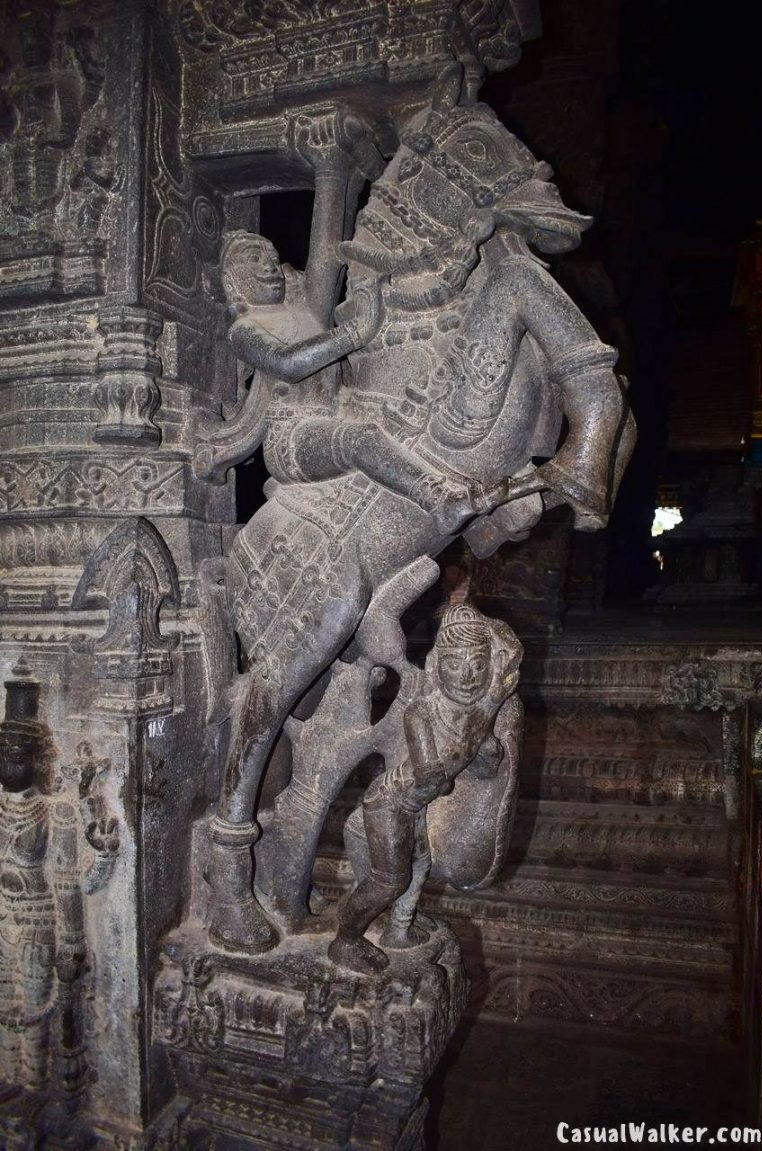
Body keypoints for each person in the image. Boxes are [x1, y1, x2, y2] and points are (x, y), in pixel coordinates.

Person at [197, 230, 504, 536]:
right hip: (292, 437)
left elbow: (327, 245)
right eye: (255, 260)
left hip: (340, 408)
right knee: (360, 439)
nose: (269, 267)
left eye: (273, 260)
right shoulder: (244, 329)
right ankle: (439, 500)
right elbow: (287, 364)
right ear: (234, 280)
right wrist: (356, 332)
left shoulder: (304, 312)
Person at [328, 604, 521, 975]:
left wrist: (488, 747)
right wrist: (478, 730)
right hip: (390, 803)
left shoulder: (475, 716)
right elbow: (432, 773)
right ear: (435, 667)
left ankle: (399, 932)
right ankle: (346, 938)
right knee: (390, 879)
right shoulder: (422, 713)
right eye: (454, 665)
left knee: (420, 865)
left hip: (413, 810)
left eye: (478, 666)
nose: (466, 677)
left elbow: (483, 766)